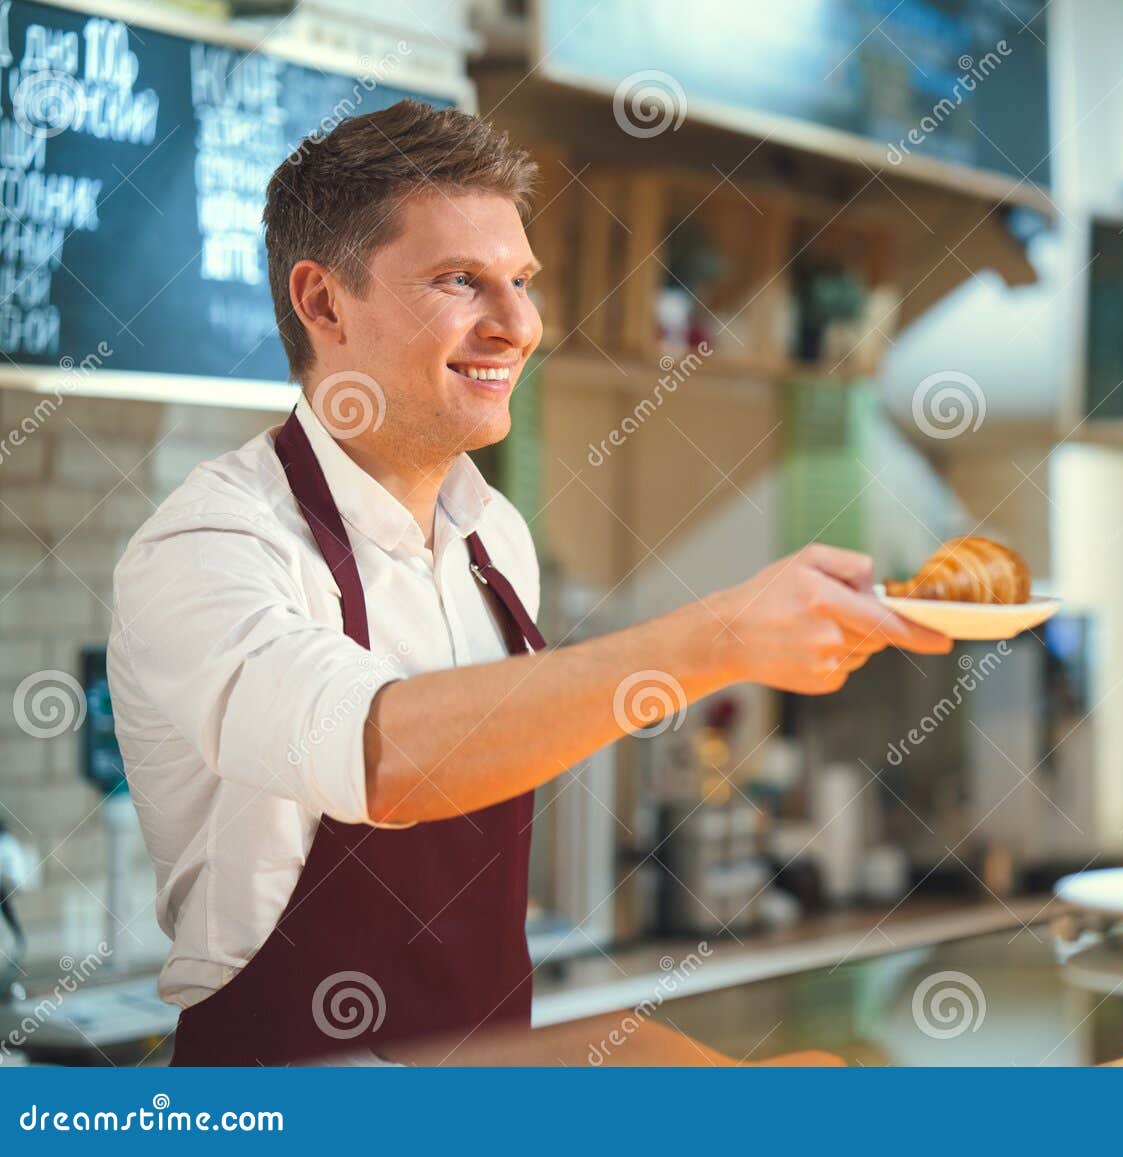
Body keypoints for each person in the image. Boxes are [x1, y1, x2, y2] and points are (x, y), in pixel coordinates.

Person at [107, 100, 950, 1066]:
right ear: (324, 304)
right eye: (460, 281)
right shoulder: (211, 547)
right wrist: (722, 637)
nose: (518, 325)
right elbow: (382, 756)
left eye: (521, 282)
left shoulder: (495, 539)